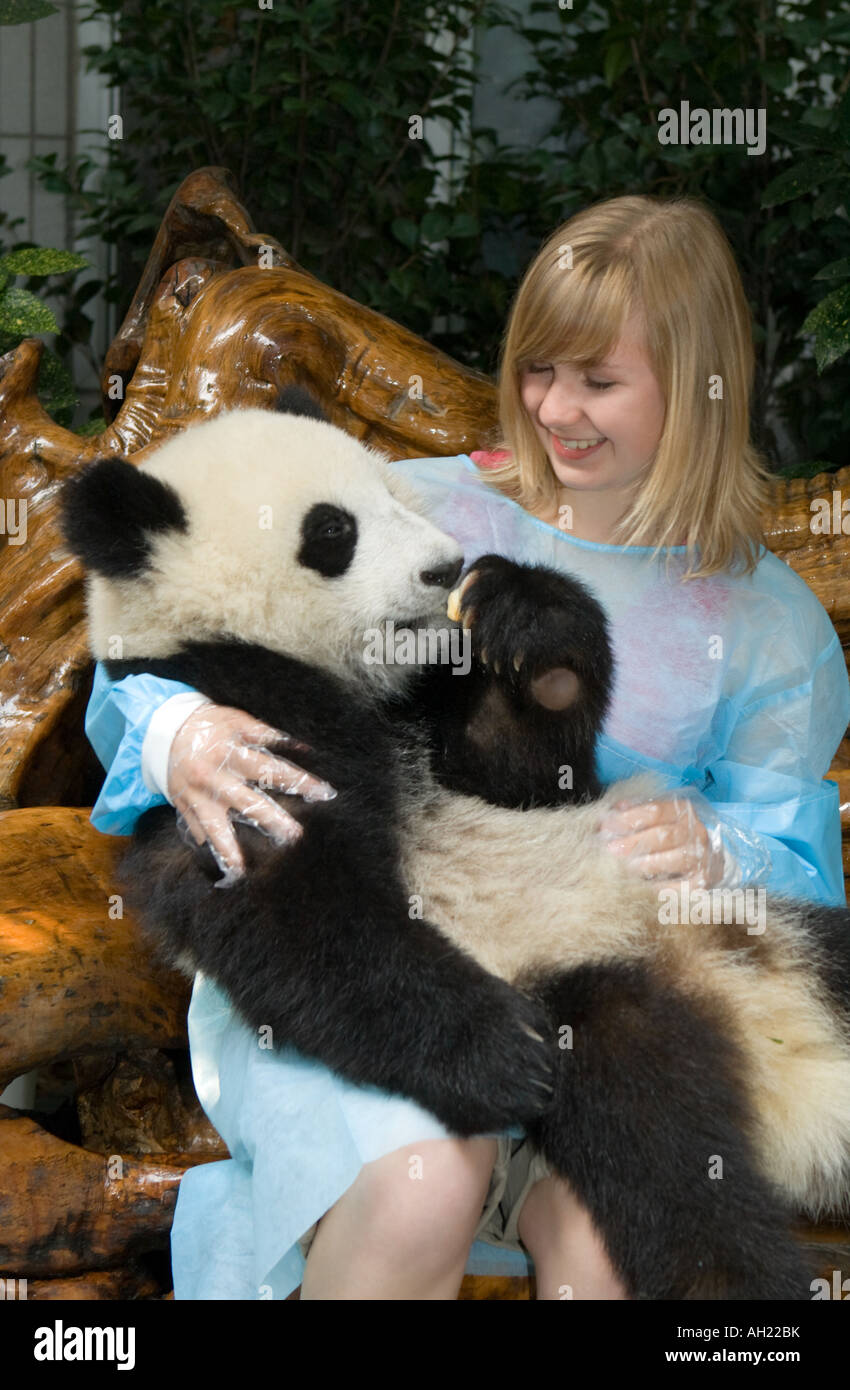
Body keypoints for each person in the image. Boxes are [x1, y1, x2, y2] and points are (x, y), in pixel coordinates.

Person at [85, 195, 850, 1300]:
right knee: (421, 1177)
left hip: (601, 988)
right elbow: (164, 634)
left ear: (695, 384)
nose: (554, 408)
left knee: (610, 1243)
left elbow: (794, 875)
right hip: (352, 958)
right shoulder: (416, 502)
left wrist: (717, 847)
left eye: (597, 380)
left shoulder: (766, 622)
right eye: (537, 370)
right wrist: (172, 729)